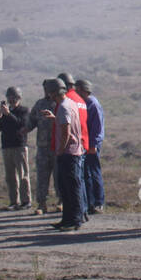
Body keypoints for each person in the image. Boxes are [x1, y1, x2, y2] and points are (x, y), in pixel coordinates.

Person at [38, 78, 84, 232]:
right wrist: (54, 118)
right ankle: (67, 219)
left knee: (70, 188)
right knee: (66, 188)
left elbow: (66, 132)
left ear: (52, 93)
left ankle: (74, 220)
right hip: (73, 151)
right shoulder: (70, 103)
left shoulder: (63, 107)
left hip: (68, 153)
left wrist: (60, 150)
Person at [57, 72, 90, 219]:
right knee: (78, 182)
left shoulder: (66, 101)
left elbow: (66, 128)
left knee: (71, 185)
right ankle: (82, 212)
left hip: (69, 148)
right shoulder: (78, 99)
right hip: (81, 144)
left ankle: (75, 217)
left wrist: (60, 148)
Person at [0, 86, 32, 211]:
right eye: (9, 98)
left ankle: (26, 201)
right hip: (7, 146)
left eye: (14, 98)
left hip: (19, 146)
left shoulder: (24, 110)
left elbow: (20, 124)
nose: (11, 100)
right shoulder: (6, 112)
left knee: (23, 175)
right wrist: (0, 115)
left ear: (18, 98)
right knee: (10, 177)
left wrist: (9, 114)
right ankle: (14, 201)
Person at [25, 80, 57, 215]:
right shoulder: (40, 104)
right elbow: (31, 121)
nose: (46, 92)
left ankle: (61, 201)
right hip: (43, 147)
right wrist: (24, 129)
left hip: (57, 146)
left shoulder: (60, 103)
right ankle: (42, 203)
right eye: (45, 89)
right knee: (42, 177)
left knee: (59, 176)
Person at [77, 78, 105, 214]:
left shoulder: (92, 104)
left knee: (94, 173)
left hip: (92, 145)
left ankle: (98, 202)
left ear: (84, 90)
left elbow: (97, 127)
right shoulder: (83, 104)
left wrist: (93, 145)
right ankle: (89, 202)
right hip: (84, 144)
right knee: (85, 173)